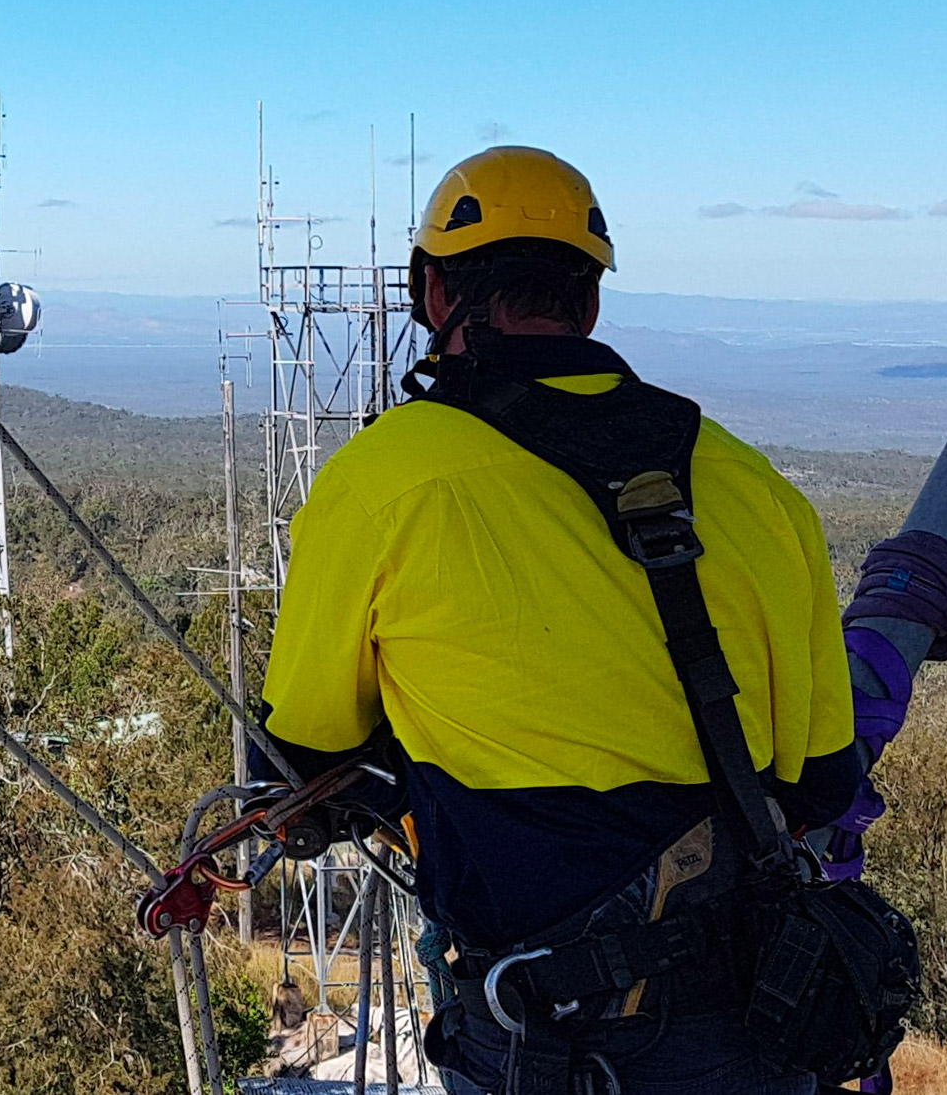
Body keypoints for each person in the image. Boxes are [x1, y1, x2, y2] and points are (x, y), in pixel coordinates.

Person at [257, 147, 864, 1094]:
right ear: (588, 303)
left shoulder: (383, 483)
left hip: (550, 1045)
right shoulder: (762, 492)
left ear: (432, 292)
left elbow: (299, 753)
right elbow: (824, 782)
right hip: (755, 1029)